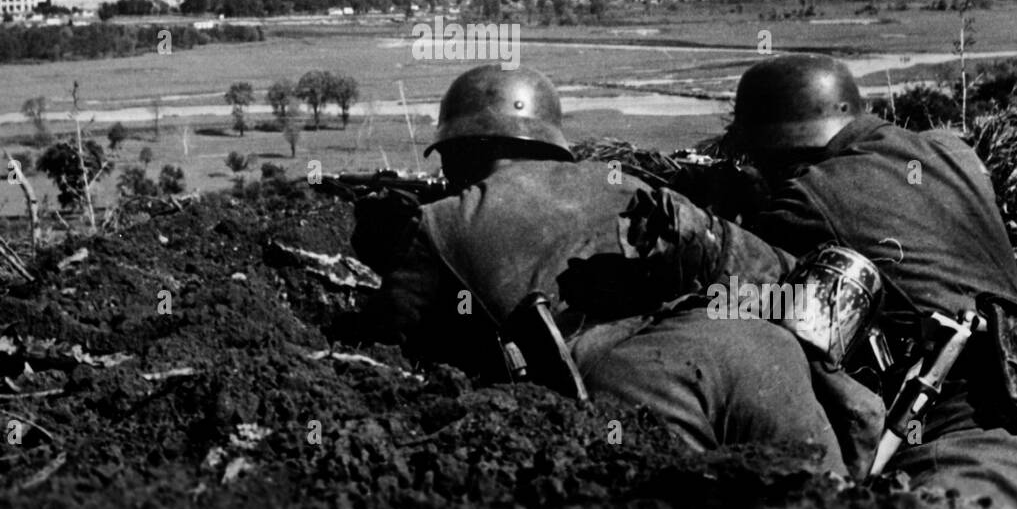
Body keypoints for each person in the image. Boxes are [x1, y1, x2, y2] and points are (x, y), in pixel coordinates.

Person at [561, 52, 1017, 509]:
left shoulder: (805, 200)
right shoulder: (950, 152)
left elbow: (772, 296)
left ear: (774, 151)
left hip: (959, 453)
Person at [344, 63, 846, 471]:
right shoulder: (624, 181)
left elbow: (389, 335)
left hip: (644, 384)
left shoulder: (440, 222)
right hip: (757, 346)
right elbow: (741, 258)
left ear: (461, 148)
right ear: (549, 140)